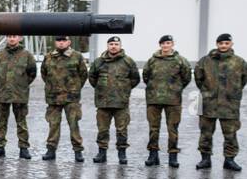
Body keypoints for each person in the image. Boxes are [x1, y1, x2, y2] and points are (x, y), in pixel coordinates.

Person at [193, 33, 247, 171]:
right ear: (217, 44)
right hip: (207, 102)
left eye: (226, 43)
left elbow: (243, 80)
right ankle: (205, 159)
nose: (223, 46)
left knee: (230, 133)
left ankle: (229, 160)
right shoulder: (205, 61)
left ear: (231, 44)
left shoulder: (239, 62)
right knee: (205, 132)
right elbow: (198, 78)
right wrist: (206, 91)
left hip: (229, 104)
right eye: (221, 43)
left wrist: (233, 92)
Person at [88, 35, 140, 164]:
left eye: (116, 44)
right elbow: (92, 78)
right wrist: (102, 90)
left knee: (122, 130)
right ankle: (102, 153)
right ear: (108, 46)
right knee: (102, 130)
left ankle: (122, 154)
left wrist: (124, 89)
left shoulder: (128, 61)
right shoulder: (99, 62)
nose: (113, 46)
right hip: (103, 102)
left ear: (120, 46)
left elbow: (135, 79)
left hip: (121, 103)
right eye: (111, 44)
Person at [142, 34, 192, 167]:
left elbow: (186, 77)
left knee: (173, 128)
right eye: (163, 43)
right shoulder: (152, 60)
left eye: (168, 43)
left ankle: (173, 156)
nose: (166, 45)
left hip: (173, 100)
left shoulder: (180, 60)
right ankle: (153, 155)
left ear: (172, 44)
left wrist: (177, 88)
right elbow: (146, 76)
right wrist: (154, 88)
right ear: (160, 45)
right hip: (154, 99)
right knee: (153, 128)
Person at [41, 34, 89, 162]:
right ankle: (51, 150)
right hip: (53, 97)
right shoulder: (49, 57)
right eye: (58, 40)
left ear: (69, 42)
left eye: (64, 40)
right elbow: (44, 74)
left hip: (71, 98)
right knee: (53, 125)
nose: (61, 42)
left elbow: (83, 75)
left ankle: (78, 151)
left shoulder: (77, 56)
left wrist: (75, 88)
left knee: (74, 124)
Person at [0, 33, 36, 159]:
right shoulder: (0, 55)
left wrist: (22, 85)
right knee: (1, 122)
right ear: (6, 38)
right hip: (2, 94)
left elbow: (32, 73)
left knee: (21, 122)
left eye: (14, 36)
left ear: (19, 38)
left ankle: (24, 148)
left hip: (19, 94)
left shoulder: (27, 55)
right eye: (9, 36)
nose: (12, 38)